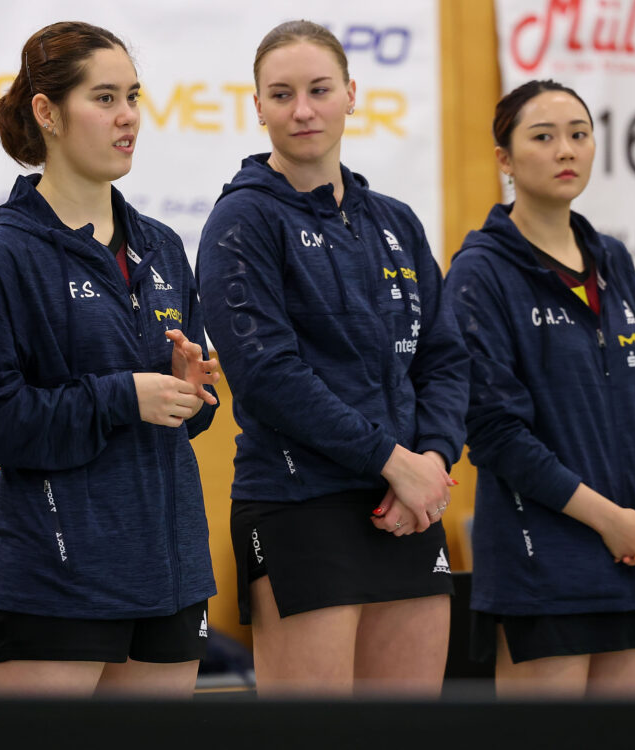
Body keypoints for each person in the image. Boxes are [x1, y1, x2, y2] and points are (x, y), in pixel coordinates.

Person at [196, 20, 470, 696]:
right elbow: (267, 377)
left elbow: (443, 357)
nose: (303, 109)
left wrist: (431, 462)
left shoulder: (397, 221)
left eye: (319, 89)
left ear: (351, 93)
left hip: (408, 505)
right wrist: (394, 462)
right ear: (256, 107)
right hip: (301, 503)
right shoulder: (242, 222)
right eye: (281, 94)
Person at [0, 22, 219, 697]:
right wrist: (121, 397)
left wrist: (191, 397)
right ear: (47, 112)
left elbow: (181, 420)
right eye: (104, 98)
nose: (127, 115)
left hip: (171, 573)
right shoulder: (3, 256)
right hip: (57, 578)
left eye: (132, 95)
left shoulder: (162, 247)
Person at [444, 80, 635, 697]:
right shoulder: (480, 272)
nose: (565, 150)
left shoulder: (614, 260)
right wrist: (609, 523)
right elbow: (495, 434)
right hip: (544, 559)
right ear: (505, 159)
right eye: (543, 137)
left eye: (578, 134)